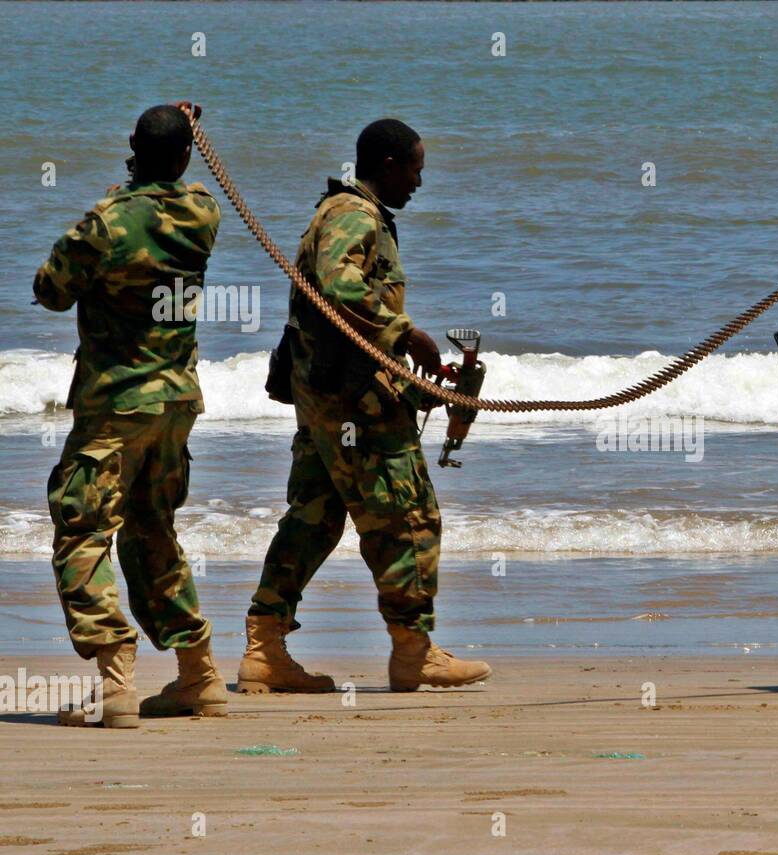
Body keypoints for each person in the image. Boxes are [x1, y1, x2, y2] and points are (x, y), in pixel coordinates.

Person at [239, 118, 491, 694]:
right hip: (354, 405)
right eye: (415, 169)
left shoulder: (344, 212)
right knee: (408, 519)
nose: (420, 182)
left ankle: (264, 648)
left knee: (313, 518)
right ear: (387, 165)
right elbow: (338, 284)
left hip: (327, 397)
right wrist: (405, 333)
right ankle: (414, 651)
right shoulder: (355, 215)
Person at [36, 103, 226, 726]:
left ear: (131, 150)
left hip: (117, 404)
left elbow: (50, 290)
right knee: (152, 532)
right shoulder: (204, 212)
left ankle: (117, 682)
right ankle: (199, 674)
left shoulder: (107, 222)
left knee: (82, 531)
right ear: (185, 155)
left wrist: (120, 190)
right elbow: (168, 190)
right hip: (176, 402)